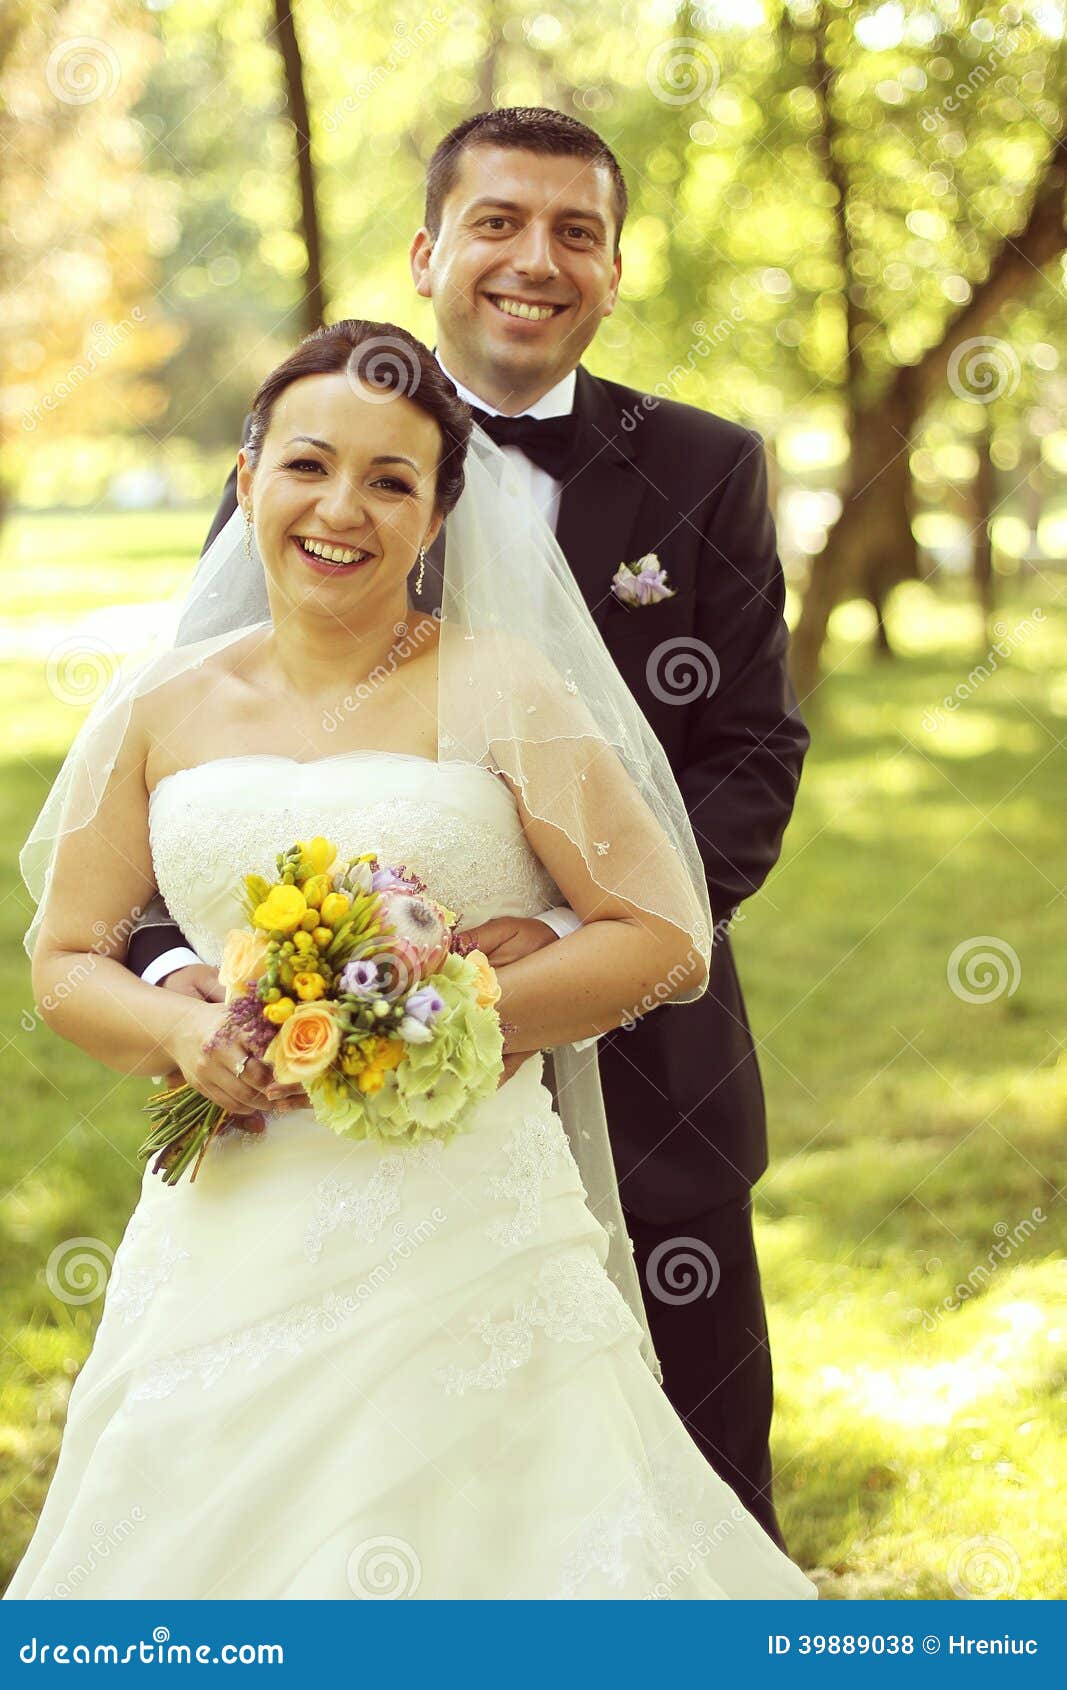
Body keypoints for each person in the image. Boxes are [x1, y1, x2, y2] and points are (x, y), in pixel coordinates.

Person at [7, 320, 816, 1600]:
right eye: (308, 466)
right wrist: (175, 1032)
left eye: (391, 482)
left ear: (439, 515)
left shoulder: (503, 685)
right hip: (231, 1226)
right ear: (247, 478)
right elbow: (64, 957)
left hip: (467, 1224)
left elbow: (662, 936)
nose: (343, 509)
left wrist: (459, 1011)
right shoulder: (160, 705)